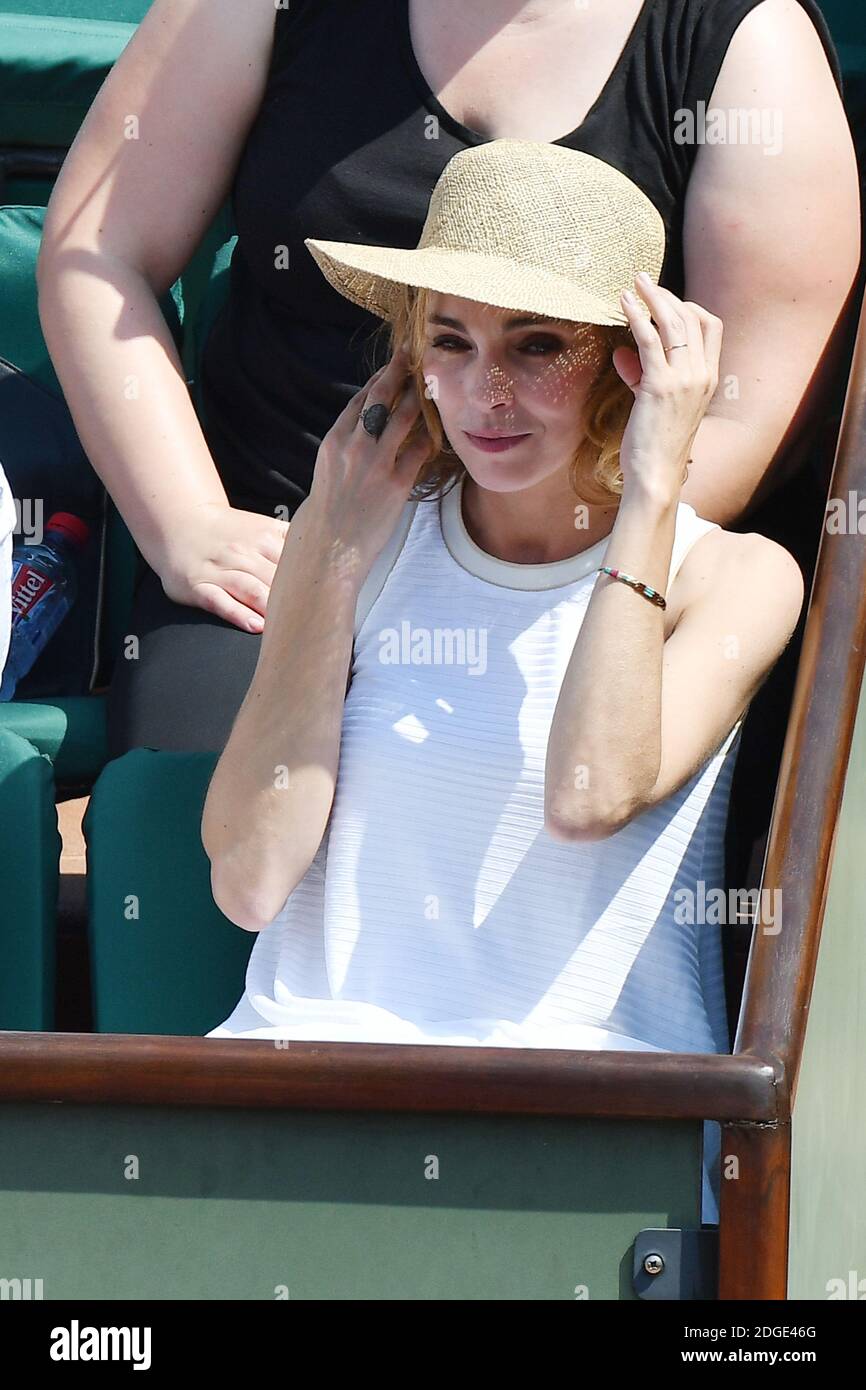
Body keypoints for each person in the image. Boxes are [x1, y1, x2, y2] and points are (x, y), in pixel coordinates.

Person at [201, 140, 805, 1225]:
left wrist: (651, 487)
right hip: (310, 1104)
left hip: (587, 1138)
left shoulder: (734, 574)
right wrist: (326, 564)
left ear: (632, 365)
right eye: (449, 340)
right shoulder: (358, 542)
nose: (485, 390)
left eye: (537, 346)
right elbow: (246, 879)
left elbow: (585, 795)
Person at [33, 0, 857, 758]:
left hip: (585, 573)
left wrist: (517, 574)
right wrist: (189, 526)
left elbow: (747, 412)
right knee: (202, 831)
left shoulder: (745, 37)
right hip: (283, 554)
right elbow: (98, 252)